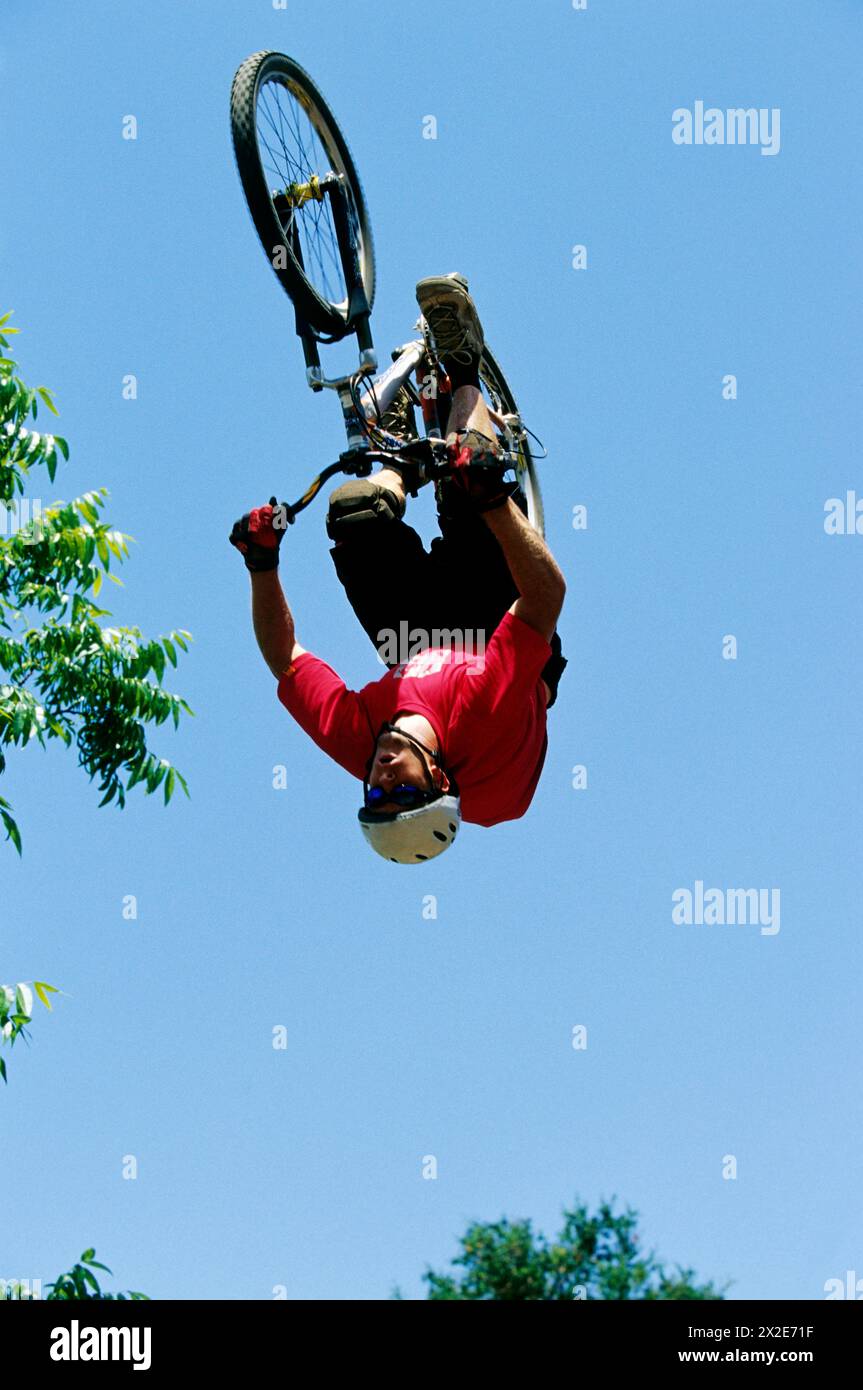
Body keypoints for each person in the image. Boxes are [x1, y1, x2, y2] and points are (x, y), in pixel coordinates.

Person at [230, 274, 567, 864]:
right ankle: (463, 368)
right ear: (438, 782)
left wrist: (263, 565)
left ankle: (399, 461)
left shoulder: (362, 739)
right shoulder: (485, 711)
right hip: (495, 644)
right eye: (401, 791)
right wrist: (490, 498)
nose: (383, 775)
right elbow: (546, 598)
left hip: (415, 648)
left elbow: (283, 658)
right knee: (470, 484)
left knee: (355, 515)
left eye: (375, 793)